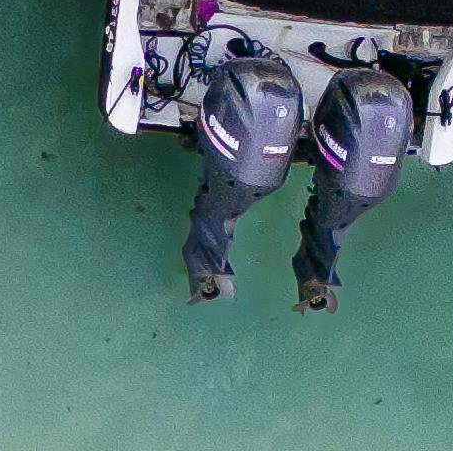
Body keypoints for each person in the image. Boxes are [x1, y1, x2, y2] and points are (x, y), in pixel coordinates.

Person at [179, 20, 422, 310]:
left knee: (221, 207)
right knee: (331, 220)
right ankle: (315, 282)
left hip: (250, 166)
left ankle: (207, 271)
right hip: (346, 179)